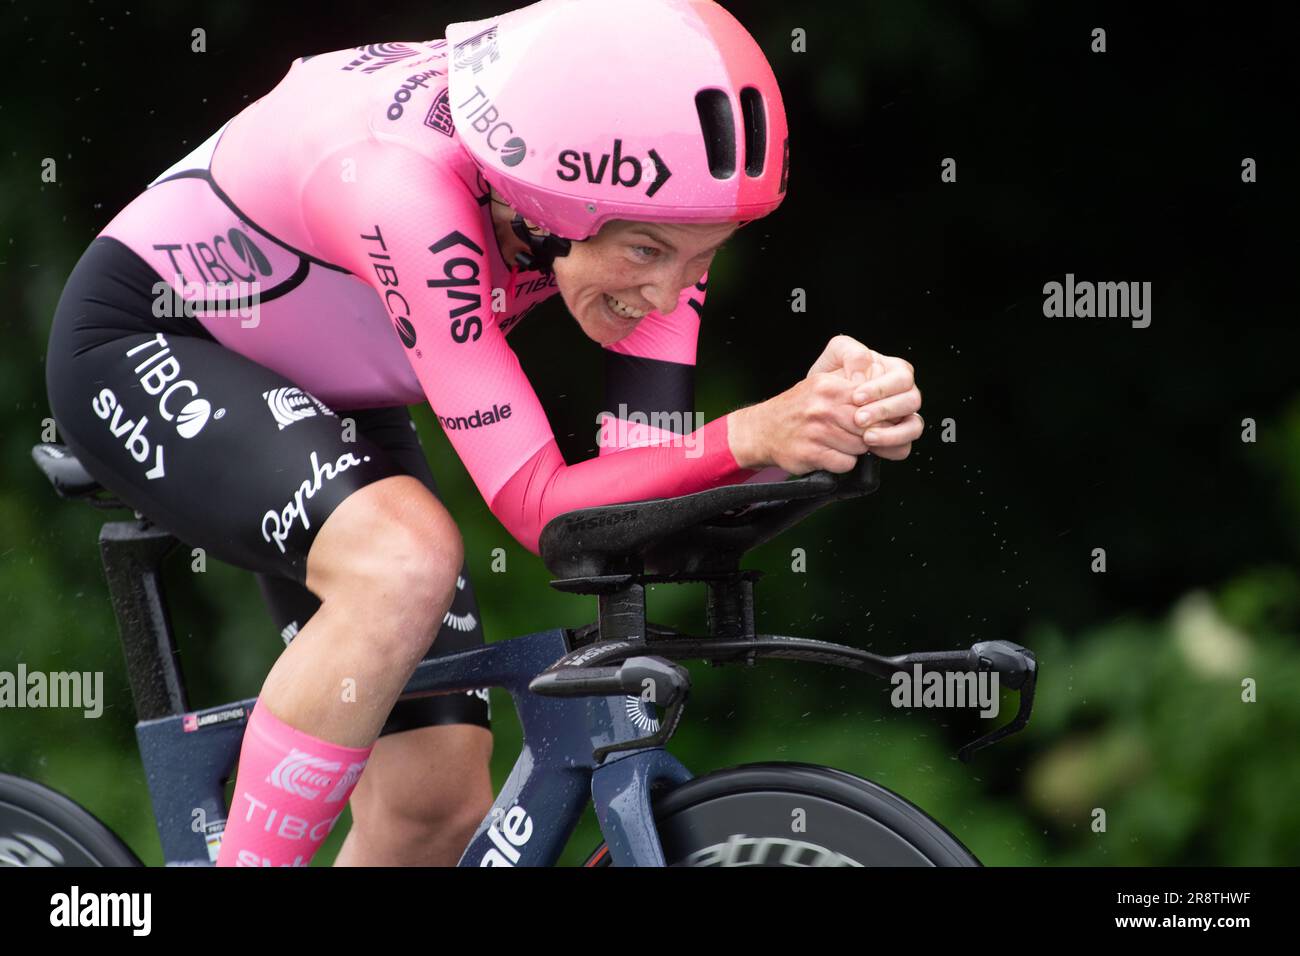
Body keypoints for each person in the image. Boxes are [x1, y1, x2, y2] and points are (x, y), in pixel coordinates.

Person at [44, 0, 922, 868]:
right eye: (648, 254)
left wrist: (833, 419)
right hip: (148, 341)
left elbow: (633, 491)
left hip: (337, 378)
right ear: (543, 207)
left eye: (705, 255)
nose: (667, 296)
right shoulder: (405, 191)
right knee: (402, 560)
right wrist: (756, 432)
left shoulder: (636, 217)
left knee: (437, 802)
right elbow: (542, 512)